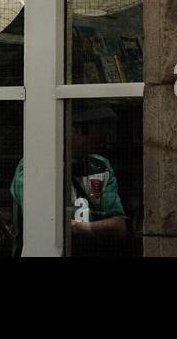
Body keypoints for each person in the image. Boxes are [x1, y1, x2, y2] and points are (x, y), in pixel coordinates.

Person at [10, 104, 128, 255]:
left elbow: (118, 226)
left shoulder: (100, 166)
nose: (105, 136)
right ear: (74, 130)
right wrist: (94, 227)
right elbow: (44, 222)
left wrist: (75, 227)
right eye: (98, 129)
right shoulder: (33, 166)